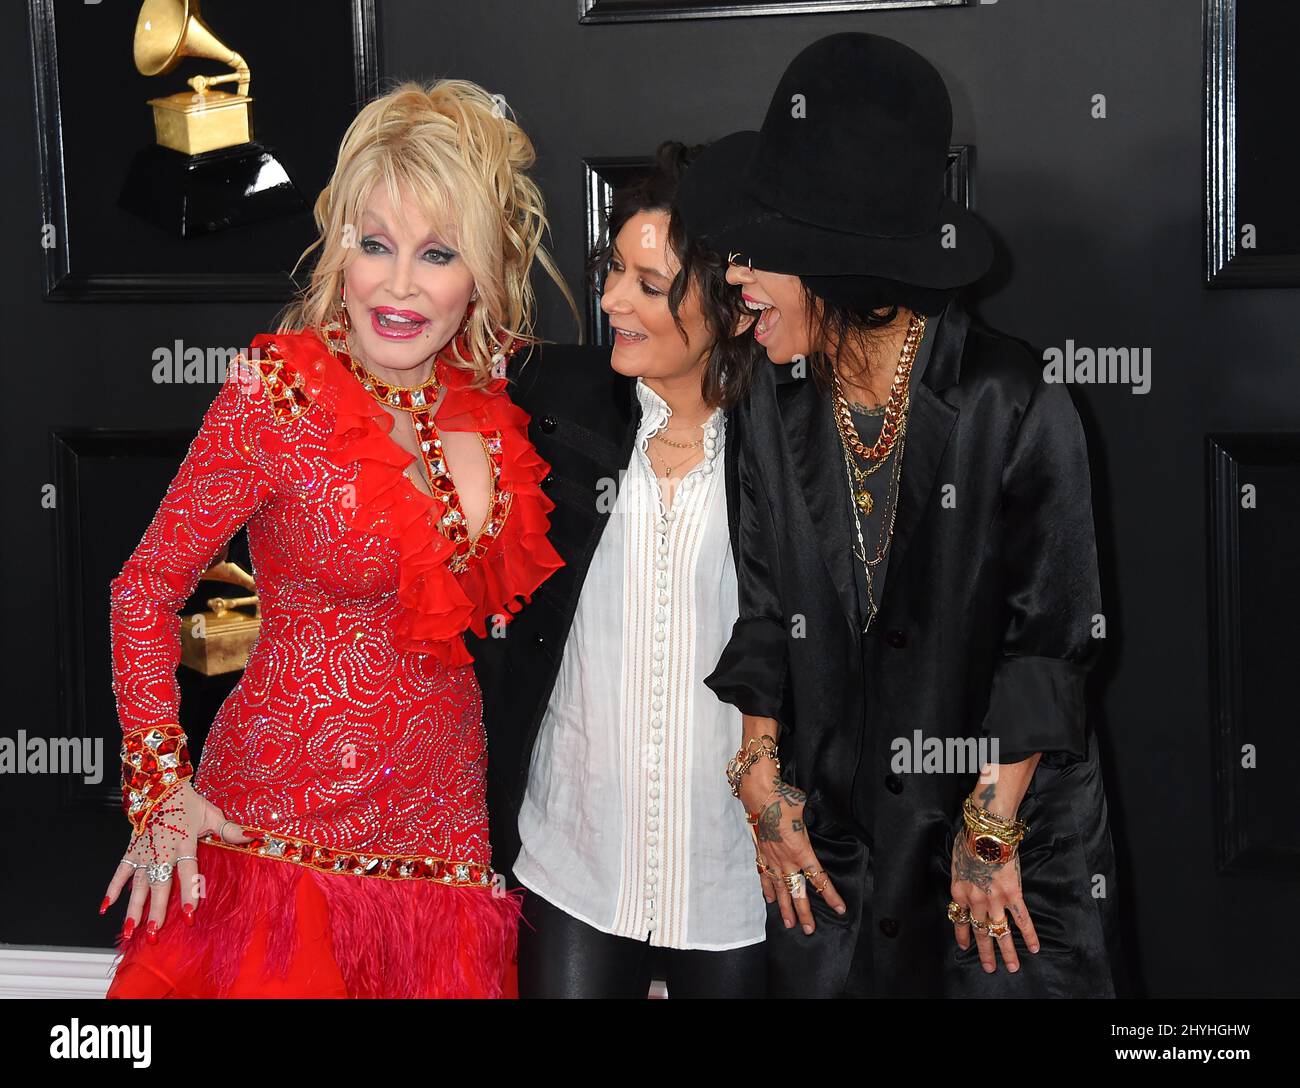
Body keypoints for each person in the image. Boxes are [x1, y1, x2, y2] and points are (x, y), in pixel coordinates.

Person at [101, 79, 573, 998]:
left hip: (440, 845)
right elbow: (144, 586)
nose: (398, 286)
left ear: (482, 269)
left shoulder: (491, 408)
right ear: (339, 251)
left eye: (437, 253)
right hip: (275, 839)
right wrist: (161, 782)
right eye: (373, 245)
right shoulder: (278, 394)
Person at [677, 32, 1124, 997]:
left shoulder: (1015, 400)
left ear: (839, 265)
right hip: (836, 861)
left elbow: (1049, 649)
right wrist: (758, 772)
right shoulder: (768, 398)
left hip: (1000, 863)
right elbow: (764, 614)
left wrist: (989, 833)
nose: (736, 283)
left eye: (761, 259)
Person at [469, 143, 767, 998]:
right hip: (575, 855)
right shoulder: (552, 403)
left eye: (648, 282)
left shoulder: (788, 451)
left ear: (734, 305)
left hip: (732, 870)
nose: (609, 302)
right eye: (612, 273)